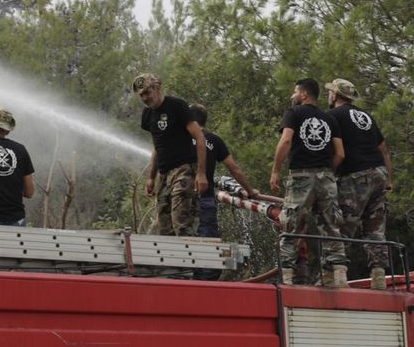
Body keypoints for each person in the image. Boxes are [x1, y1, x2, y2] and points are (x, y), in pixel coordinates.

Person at [270, 78, 348, 287]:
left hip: (300, 177)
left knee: (291, 225)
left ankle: (286, 279)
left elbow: (285, 141)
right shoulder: (329, 119)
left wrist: (276, 170)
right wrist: (326, 172)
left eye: (294, 92)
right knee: (332, 226)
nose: (292, 96)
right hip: (326, 178)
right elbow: (340, 154)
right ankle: (340, 278)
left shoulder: (293, 114)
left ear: (304, 94)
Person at [326, 78, 393, 290]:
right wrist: (388, 178)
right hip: (378, 173)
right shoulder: (366, 116)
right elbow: (383, 150)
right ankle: (379, 277)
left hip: (356, 175)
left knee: (342, 226)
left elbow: (336, 152)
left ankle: (336, 277)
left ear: (335, 95)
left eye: (330, 92)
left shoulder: (332, 116)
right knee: (375, 230)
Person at [188, 103, 259, 280]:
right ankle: (207, 282)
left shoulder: (181, 137)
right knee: (208, 242)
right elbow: (234, 169)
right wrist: (250, 190)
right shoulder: (214, 140)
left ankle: (189, 281)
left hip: (182, 200)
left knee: (183, 240)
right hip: (206, 200)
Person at [133, 73, 208, 237]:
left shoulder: (177, 106)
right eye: (141, 95)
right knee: (165, 231)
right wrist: (151, 177)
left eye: (147, 92)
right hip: (164, 175)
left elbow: (200, 138)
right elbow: (157, 147)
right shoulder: (147, 115)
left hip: (184, 171)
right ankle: (171, 263)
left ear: (157, 88)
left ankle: (191, 260)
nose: (145, 98)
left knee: (182, 225)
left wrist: (201, 173)